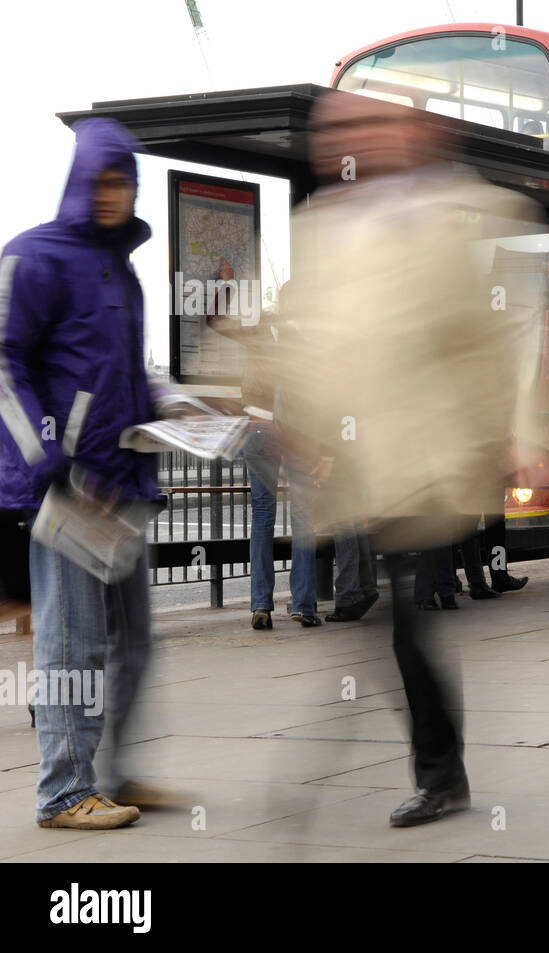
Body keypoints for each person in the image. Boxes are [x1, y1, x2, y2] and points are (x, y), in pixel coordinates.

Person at [276, 91, 549, 827]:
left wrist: (524, 435)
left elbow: (512, 335)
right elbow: (312, 339)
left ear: (414, 134)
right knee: (390, 618)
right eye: (334, 131)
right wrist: (299, 424)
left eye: (363, 126)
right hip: (361, 454)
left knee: (399, 612)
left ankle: (431, 773)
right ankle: (430, 767)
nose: (345, 143)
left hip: (434, 450)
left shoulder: (478, 212)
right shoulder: (319, 226)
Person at [2, 118, 174, 828]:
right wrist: (49, 460)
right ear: (80, 181)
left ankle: (115, 773)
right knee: (71, 640)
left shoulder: (121, 268)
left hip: (122, 485)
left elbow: (117, 377)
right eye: (103, 179)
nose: (114, 193)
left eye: (125, 180)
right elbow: (4, 365)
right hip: (69, 486)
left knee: (132, 641)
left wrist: (172, 407)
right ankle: (64, 792)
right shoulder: (35, 256)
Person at [208, 278, 321, 628]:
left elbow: (215, 321)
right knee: (304, 519)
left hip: (258, 427)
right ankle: (303, 604)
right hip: (298, 433)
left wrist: (224, 284)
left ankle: (261, 605)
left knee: (262, 516)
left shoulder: (260, 331)